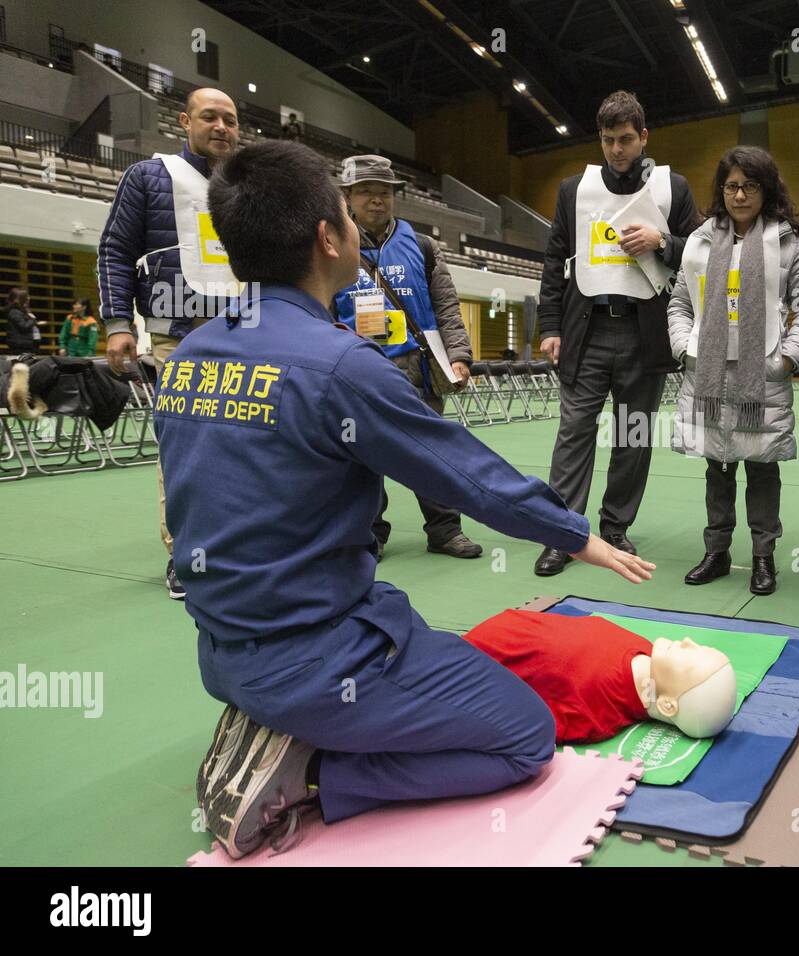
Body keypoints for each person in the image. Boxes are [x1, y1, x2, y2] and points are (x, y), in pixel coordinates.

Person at [161, 140, 653, 860]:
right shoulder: (337, 367)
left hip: (222, 657)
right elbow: (465, 473)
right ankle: (314, 777)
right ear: (329, 237)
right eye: (348, 213)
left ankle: (281, 724)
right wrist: (577, 533)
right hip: (320, 664)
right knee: (525, 736)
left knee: (443, 646)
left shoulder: (189, 359)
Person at [533, 90, 701, 577]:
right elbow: (553, 260)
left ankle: (614, 527)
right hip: (584, 331)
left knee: (634, 435)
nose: (617, 150)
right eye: (608, 140)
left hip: (643, 334)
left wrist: (662, 241)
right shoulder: (573, 191)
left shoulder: (675, 189)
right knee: (574, 433)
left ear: (644, 137)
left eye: (626, 139)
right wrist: (548, 326)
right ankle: (562, 533)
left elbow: (701, 250)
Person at [98, 87, 241, 599]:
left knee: (250, 446)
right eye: (209, 117)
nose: (221, 127)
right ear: (185, 121)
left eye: (230, 119)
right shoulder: (149, 177)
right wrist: (118, 321)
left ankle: (241, 546)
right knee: (186, 448)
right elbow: (114, 250)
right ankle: (187, 554)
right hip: (177, 334)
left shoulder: (247, 188)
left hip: (247, 333)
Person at [667, 147, 799, 596]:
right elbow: (679, 303)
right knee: (717, 465)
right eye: (731, 186)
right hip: (708, 372)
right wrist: (684, 348)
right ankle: (716, 553)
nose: (739, 195)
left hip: (762, 375)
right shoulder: (699, 241)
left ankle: (763, 558)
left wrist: (787, 359)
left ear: (765, 188)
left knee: (762, 467)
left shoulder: (788, 240)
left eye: (749, 186)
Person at [333, 154, 480, 560]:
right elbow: (320, 309)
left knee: (430, 454)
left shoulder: (423, 246)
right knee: (360, 459)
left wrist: (460, 356)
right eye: (366, 192)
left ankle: (445, 530)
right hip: (356, 369)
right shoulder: (330, 247)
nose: (377, 200)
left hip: (418, 368)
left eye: (384, 192)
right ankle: (369, 534)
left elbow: (447, 306)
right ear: (347, 196)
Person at [461, 610, 736, 743]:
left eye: (690, 659)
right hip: (487, 637)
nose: (688, 641)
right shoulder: (646, 650)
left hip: (467, 666)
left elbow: (520, 721)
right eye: (699, 646)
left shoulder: (594, 713)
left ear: (667, 704)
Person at [4, 287, 41, 354]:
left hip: (26, 345)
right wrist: (33, 320)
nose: (29, 298)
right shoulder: (14, 312)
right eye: (26, 297)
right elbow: (24, 326)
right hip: (20, 346)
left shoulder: (22, 311)